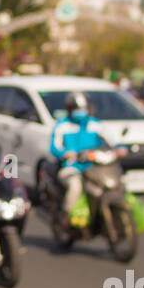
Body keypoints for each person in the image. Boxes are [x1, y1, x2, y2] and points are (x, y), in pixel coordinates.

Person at [49, 92, 108, 220]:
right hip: (71, 167)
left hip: (94, 167)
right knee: (75, 187)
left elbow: (112, 140)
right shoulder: (62, 125)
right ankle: (66, 216)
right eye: (76, 109)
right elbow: (54, 148)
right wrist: (65, 153)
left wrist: (120, 149)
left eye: (82, 108)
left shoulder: (95, 124)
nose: (80, 112)